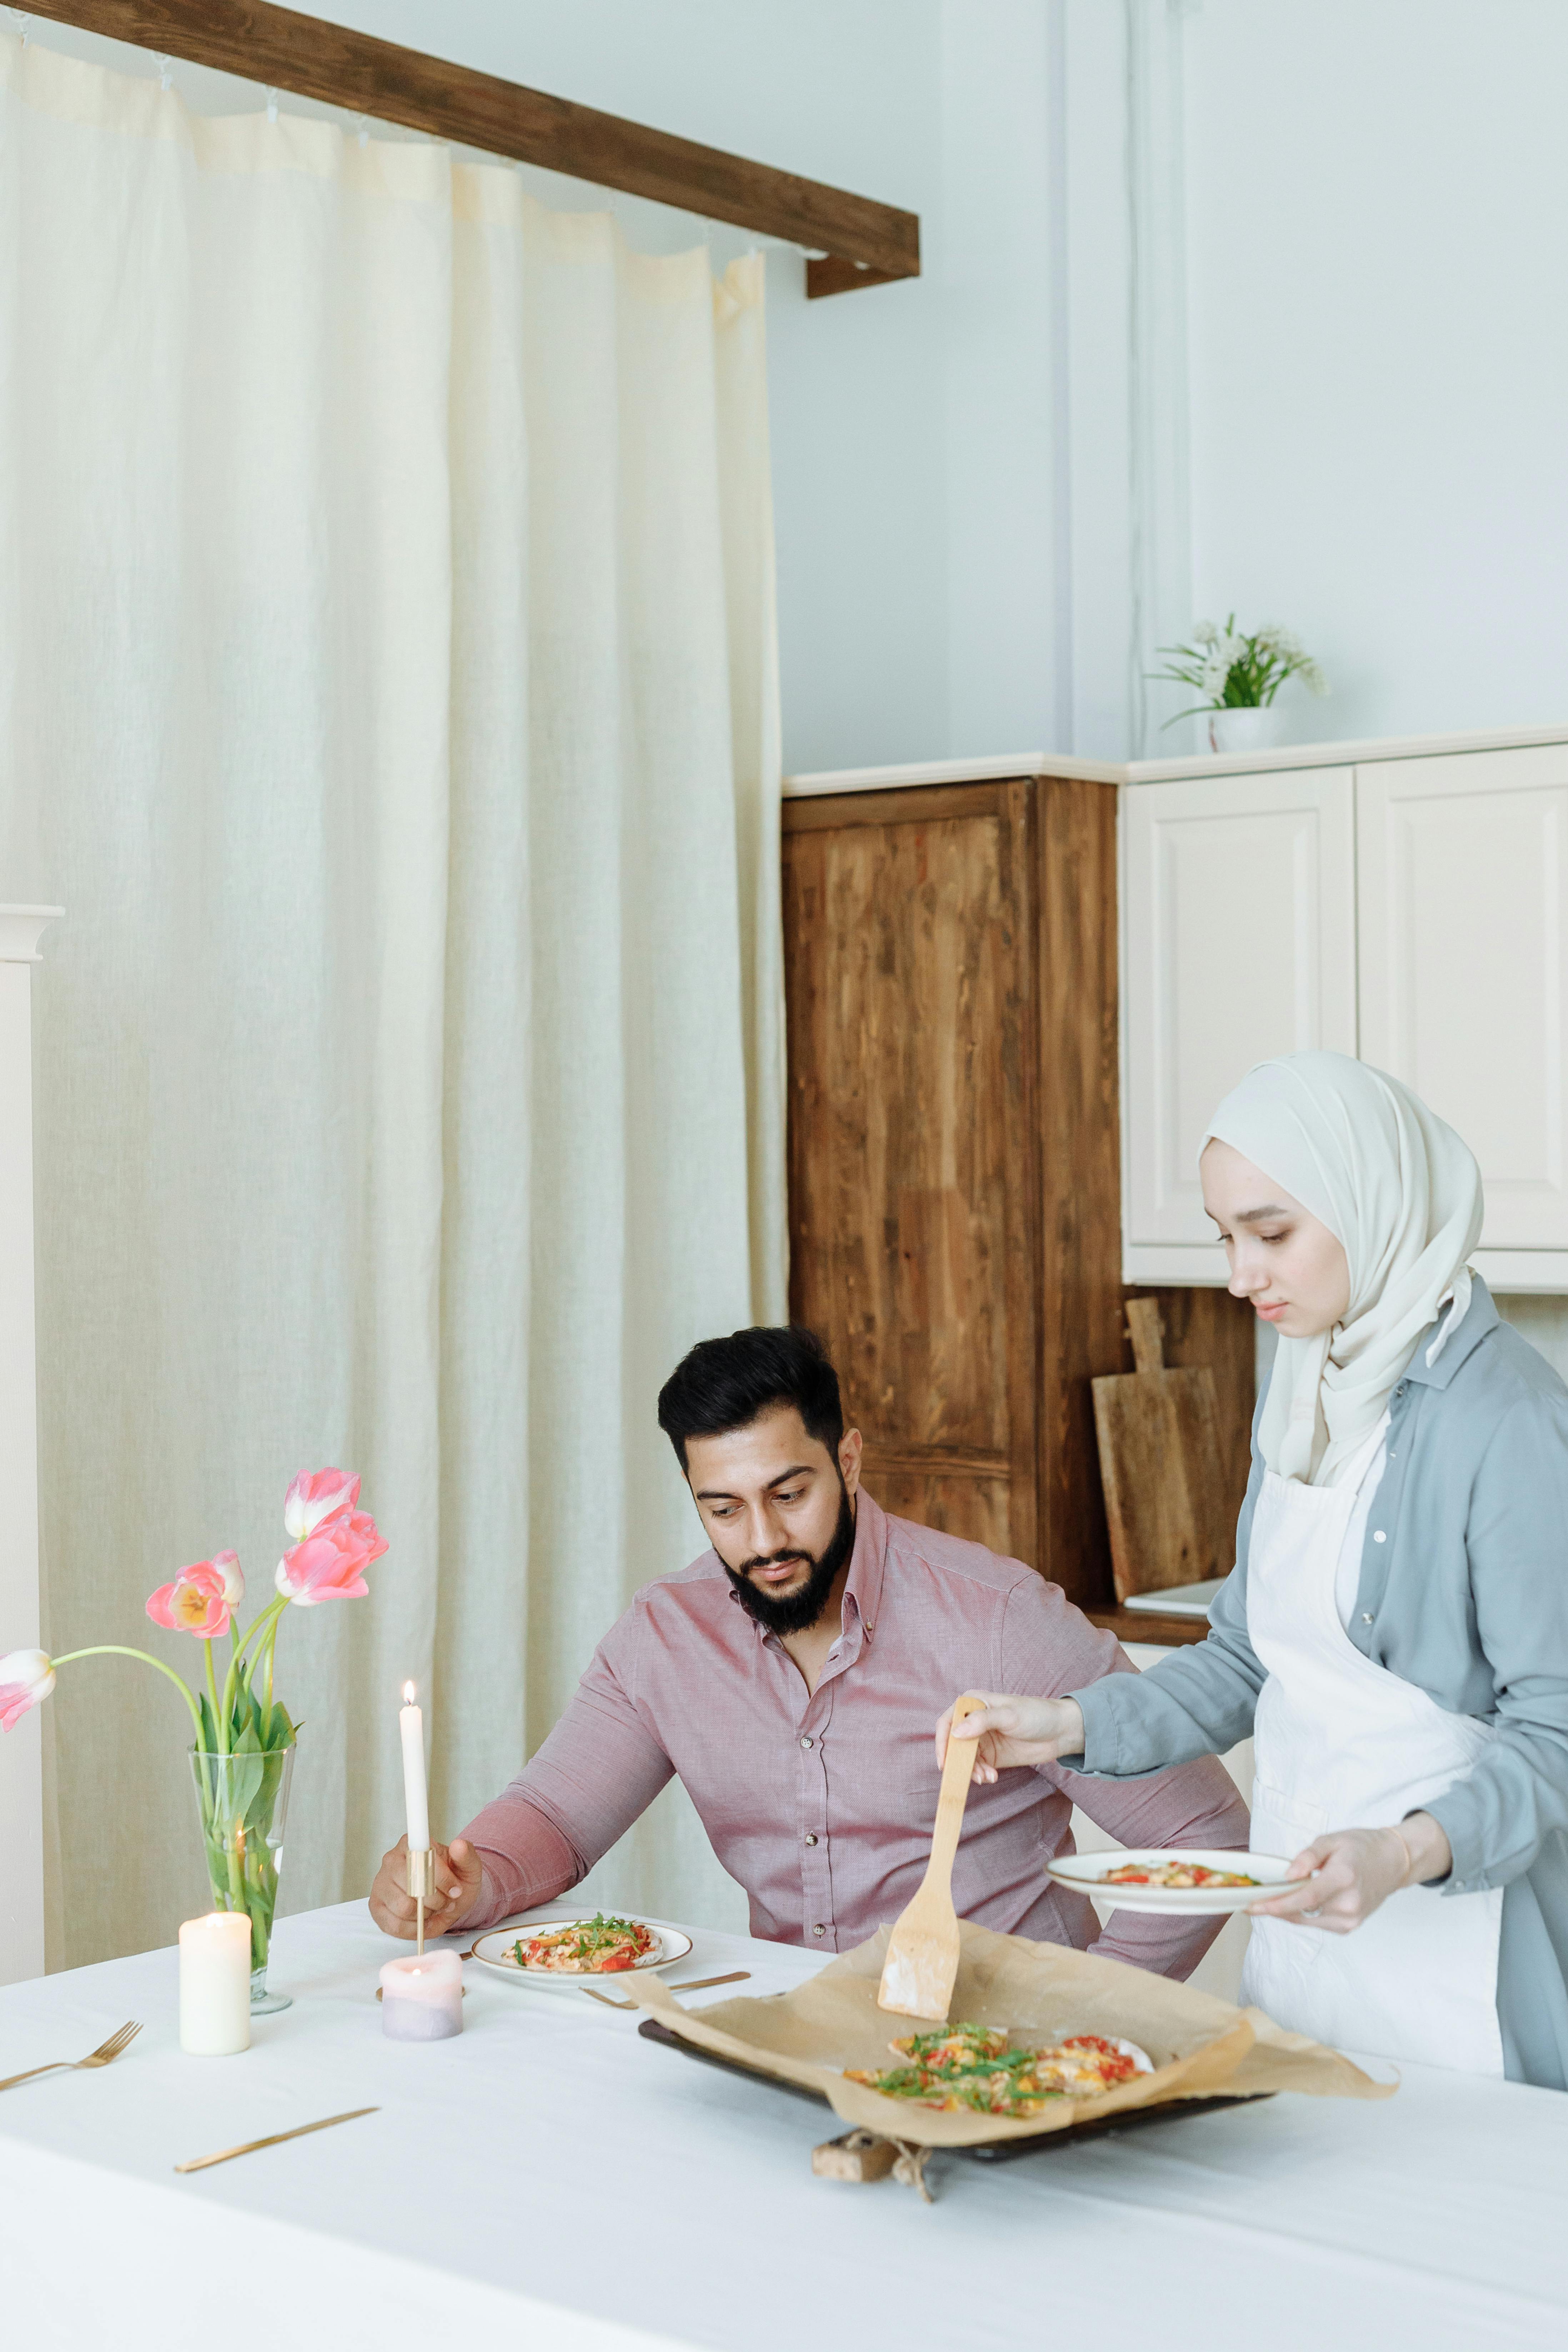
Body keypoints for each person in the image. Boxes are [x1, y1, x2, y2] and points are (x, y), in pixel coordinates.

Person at [943, 1050, 1568, 2087]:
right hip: (1301, 1944)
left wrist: (1399, 1853)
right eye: (1225, 1237)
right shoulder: (1306, 1385)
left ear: (1370, 1204)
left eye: (1269, 1233)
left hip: (1459, 1973)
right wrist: (1064, 1725)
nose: (1240, 1275)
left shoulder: (1504, 1421)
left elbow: (1555, 1728)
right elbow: (1244, 1657)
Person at [369, 1325, 1249, 1975]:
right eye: (723, 1508)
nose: (763, 1539)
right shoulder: (665, 1636)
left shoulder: (1000, 1620)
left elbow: (1203, 1830)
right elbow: (556, 1819)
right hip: (795, 2042)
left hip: (1004, 2033)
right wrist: (463, 1881)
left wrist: (1090, 2015)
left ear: (849, 1461)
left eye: (789, 1492)